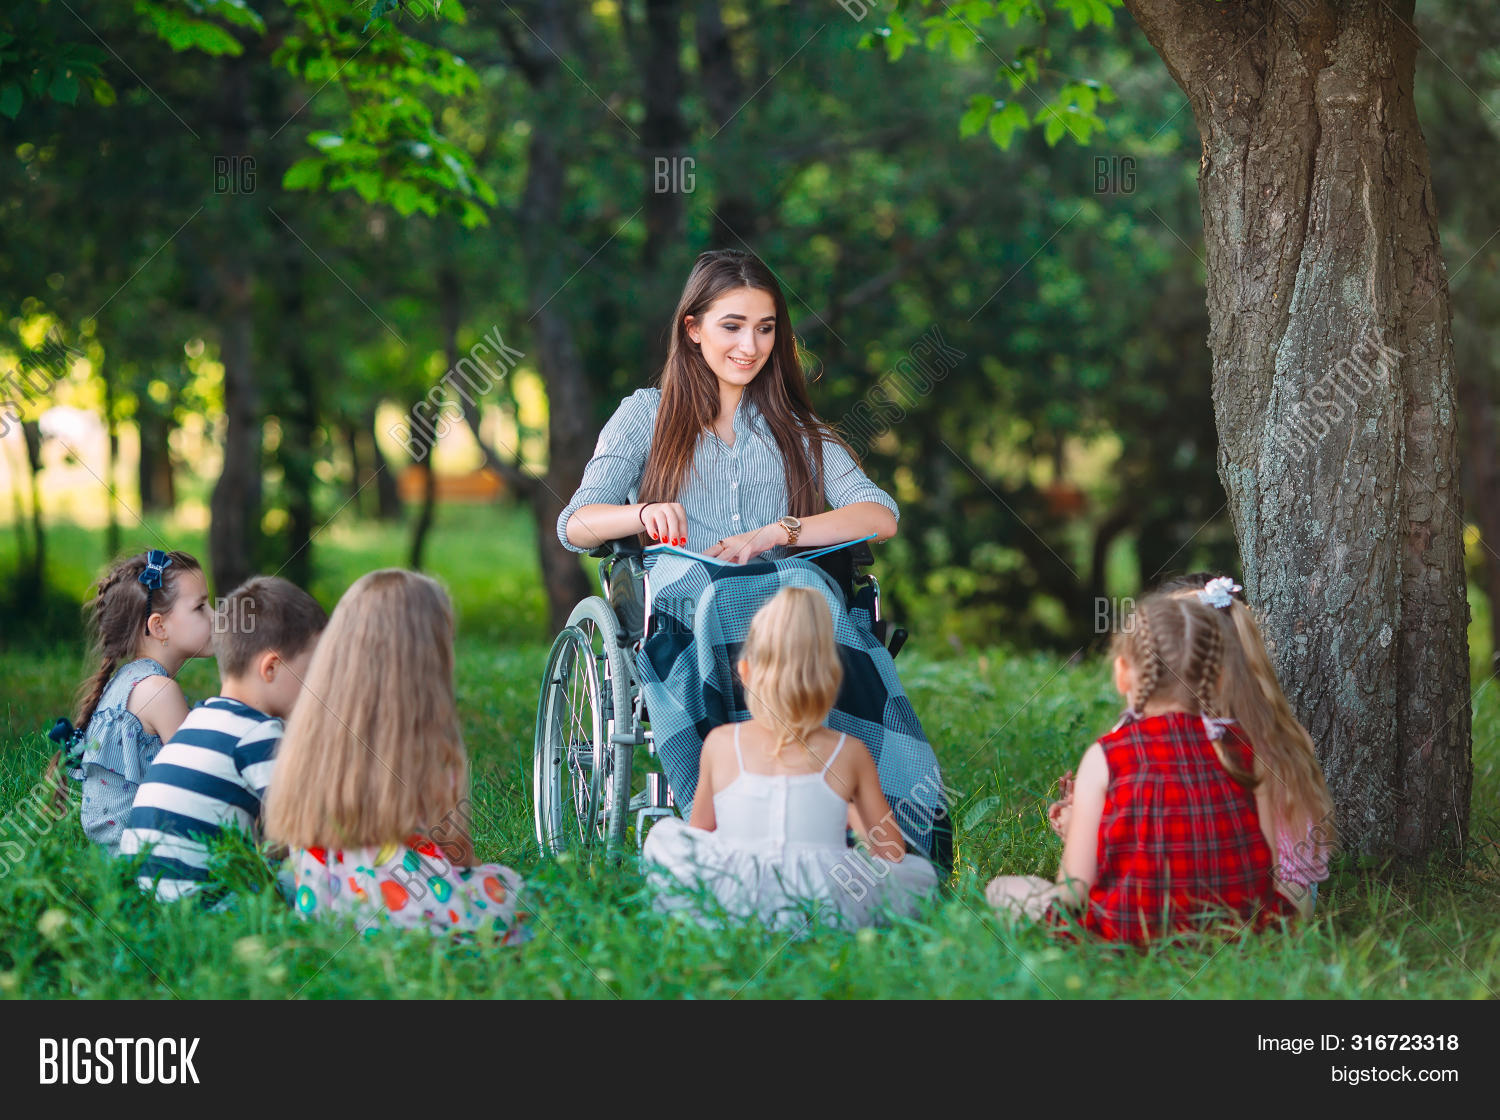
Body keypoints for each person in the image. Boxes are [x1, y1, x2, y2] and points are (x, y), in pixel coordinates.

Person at [557, 248, 952, 866]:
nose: (751, 344)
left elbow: (879, 515)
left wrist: (779, 532)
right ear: (692, 328)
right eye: (732, 325)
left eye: (766, 328)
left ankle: (885, 829)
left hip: (786, 602)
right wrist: (640, 516)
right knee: (715, 592)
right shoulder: (645, 414)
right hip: (690, 596)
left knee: (812, 596)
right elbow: (575, 524)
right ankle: (724, 819)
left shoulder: (794, 426)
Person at [987, 587, 1305, 943]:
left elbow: (1074, 893)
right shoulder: (1245, 751)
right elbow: (1267, 873)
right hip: (1239, 936)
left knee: (1003, 889)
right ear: (1219, 676)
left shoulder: (1106, 755)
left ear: (1123, 673)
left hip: (1129, 937)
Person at [643, 588, 938, 932]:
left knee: (666, 838)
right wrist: (848, 806)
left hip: (735, 898)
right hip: (822, 903)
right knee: (918, 875)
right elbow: (891, 852)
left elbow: (700, 835)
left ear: (746, 671)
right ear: (832, 679)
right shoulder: (849, 751)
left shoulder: (721, 743)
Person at [1044, 576, 1336, 918]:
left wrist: (1085, 826)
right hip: (1270, 907)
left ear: (1126, 672)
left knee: (1013, 891)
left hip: (1162, 907)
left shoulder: (1127, 751)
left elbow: (1082, 884)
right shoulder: (1275, 739)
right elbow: (1263, 863)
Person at [263, 569, 527, 943]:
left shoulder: (307, 740)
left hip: (328, 908)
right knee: (510, 890)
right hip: (410, 911)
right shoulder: (425, 749)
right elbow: (457, 851)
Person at [120, 576, 328, 903]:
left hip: (144, 894)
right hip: (207, 901)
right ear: (271, 668)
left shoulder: (199, 721)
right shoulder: (259, 733)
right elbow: (302, 830)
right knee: (320, 874)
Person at [54, 549, 214, 854]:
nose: (214, 616)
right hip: (145, 861)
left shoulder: (127, 681)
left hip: (114, 858)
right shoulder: (159, 691)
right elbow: (201, 783)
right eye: (201, 607)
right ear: (159, 627)